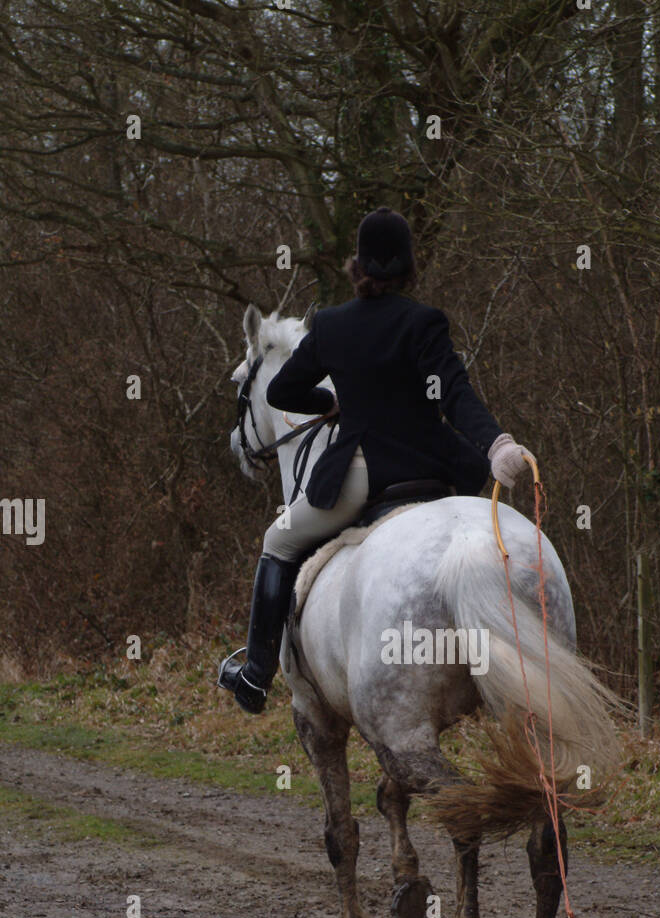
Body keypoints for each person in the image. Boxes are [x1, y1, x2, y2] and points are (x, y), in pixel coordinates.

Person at [218, 206, 535, 714]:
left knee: (276, 540)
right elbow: (455, 393)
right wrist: (496, 445)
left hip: (365, 474)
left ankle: (254, 676)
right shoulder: (425, 321)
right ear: (409, 269)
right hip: (435, 468)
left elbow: (281, 388)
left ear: (357, 268)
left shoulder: (333, 326)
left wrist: (330, 403)